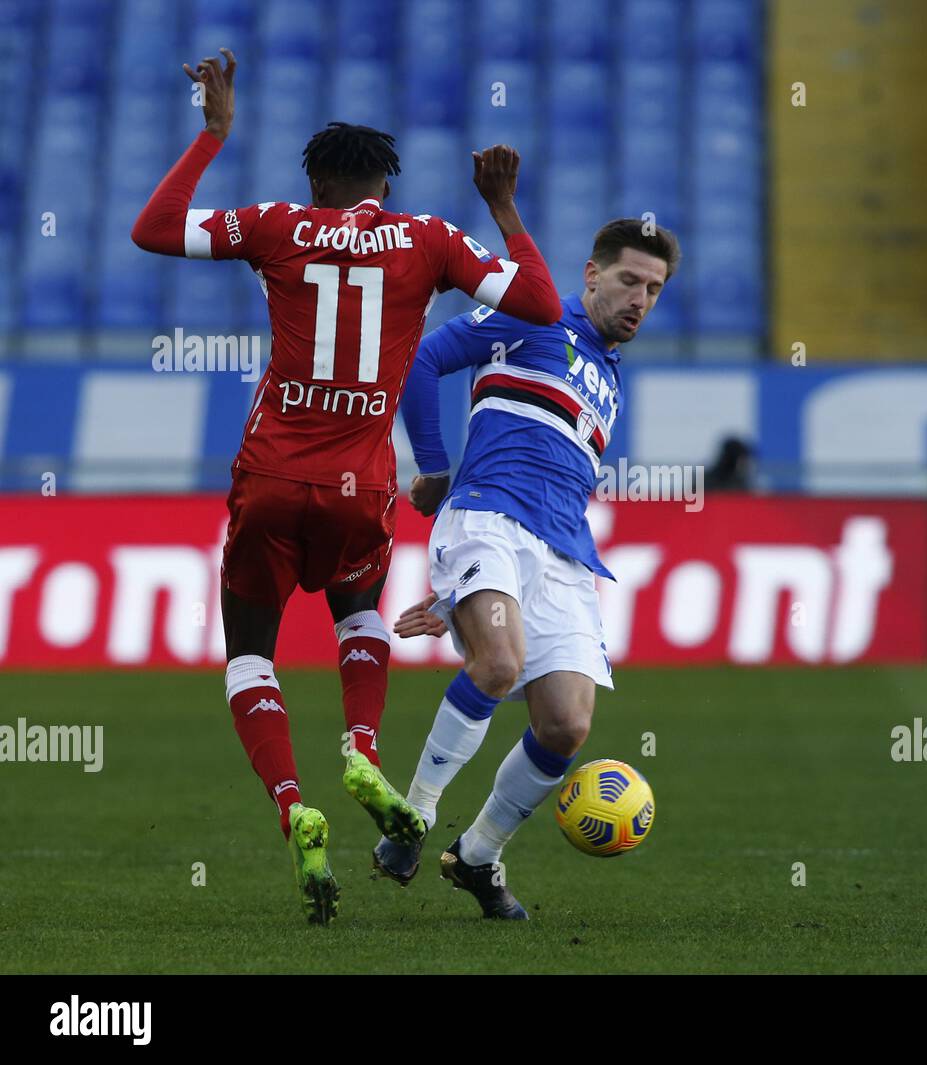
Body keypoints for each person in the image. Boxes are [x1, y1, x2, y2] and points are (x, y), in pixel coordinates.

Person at [130, 49, 562, 924]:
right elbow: (546, 306)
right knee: (359, 612)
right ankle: (362, 747)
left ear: (317, 181)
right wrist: (504, 208)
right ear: (383, 184)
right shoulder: (430, 238)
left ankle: (295, 804)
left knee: (251, 651)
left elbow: (153, 227)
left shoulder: (275, 224)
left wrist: (213, 134)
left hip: (270, 474)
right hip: (360, 483)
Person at [378, 219, 681, 918]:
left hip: (564, 557)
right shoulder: (532, 313)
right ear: (591, 275)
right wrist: (431, 461)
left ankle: (478, 855)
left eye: (655, 289)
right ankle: (414, 816)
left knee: (567, 725)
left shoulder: (609, 378)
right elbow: (421, 360)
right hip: (487, 517)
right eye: (630, 280)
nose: (641, 298)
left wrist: (463, 595)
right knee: (498, 663)